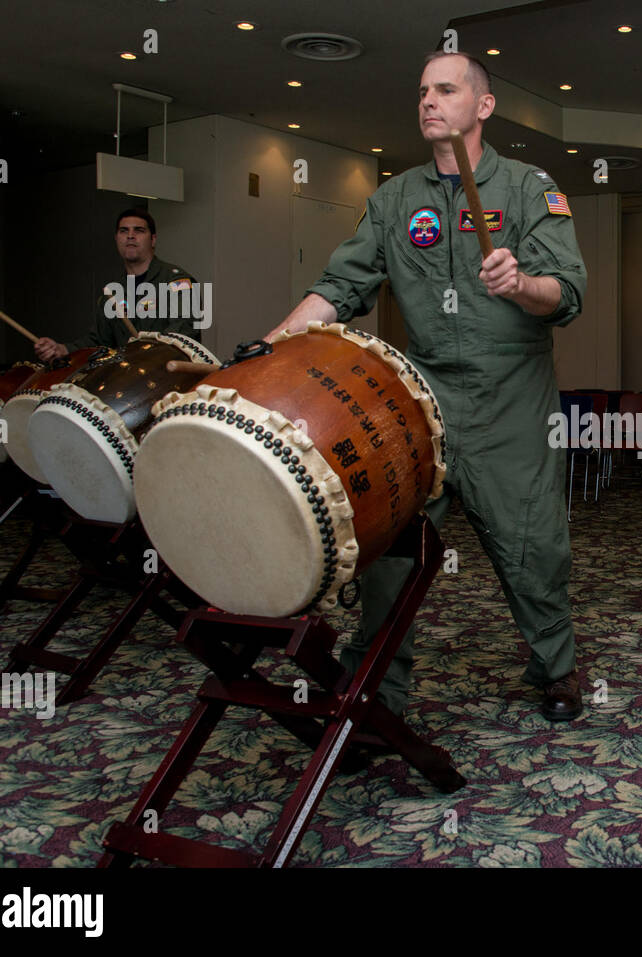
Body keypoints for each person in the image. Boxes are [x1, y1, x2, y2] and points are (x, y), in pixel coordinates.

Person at [265, 51, 588, 719]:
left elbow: (568, 292)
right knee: (389, 547)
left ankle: (555, 664)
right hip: (420, 401)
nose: (428, 101)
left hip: (511, 400)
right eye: (422, 91)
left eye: (446, 89)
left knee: (531, 546)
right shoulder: (395, 198)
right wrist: (268, 348)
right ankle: (377, 689)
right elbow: (339, 287)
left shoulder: (529, 188)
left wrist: (522, 284)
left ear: (484, 106)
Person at [34, 208, 199, 362]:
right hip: (128, 383)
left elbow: (182, 337)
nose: (130, 236)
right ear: (116, 239)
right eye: (124, 231)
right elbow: (99, 342)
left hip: (171, 381)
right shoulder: (112, 293)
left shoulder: (177, 283)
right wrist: (63, 349)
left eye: (139, 230)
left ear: (153, 239)